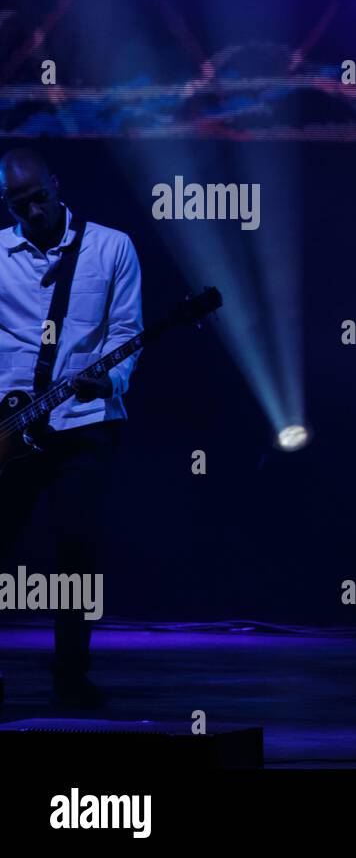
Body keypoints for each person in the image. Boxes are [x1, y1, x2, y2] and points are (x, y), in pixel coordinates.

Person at [0, 148, 143, 709]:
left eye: (39, 197)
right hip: (10, 428)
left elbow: (126, 331)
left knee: (77, 549)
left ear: (56, 186)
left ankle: (71, 674)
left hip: (84, 422)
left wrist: (109, 382)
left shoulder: (112, 247)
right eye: (19, 205)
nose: (33, 211)